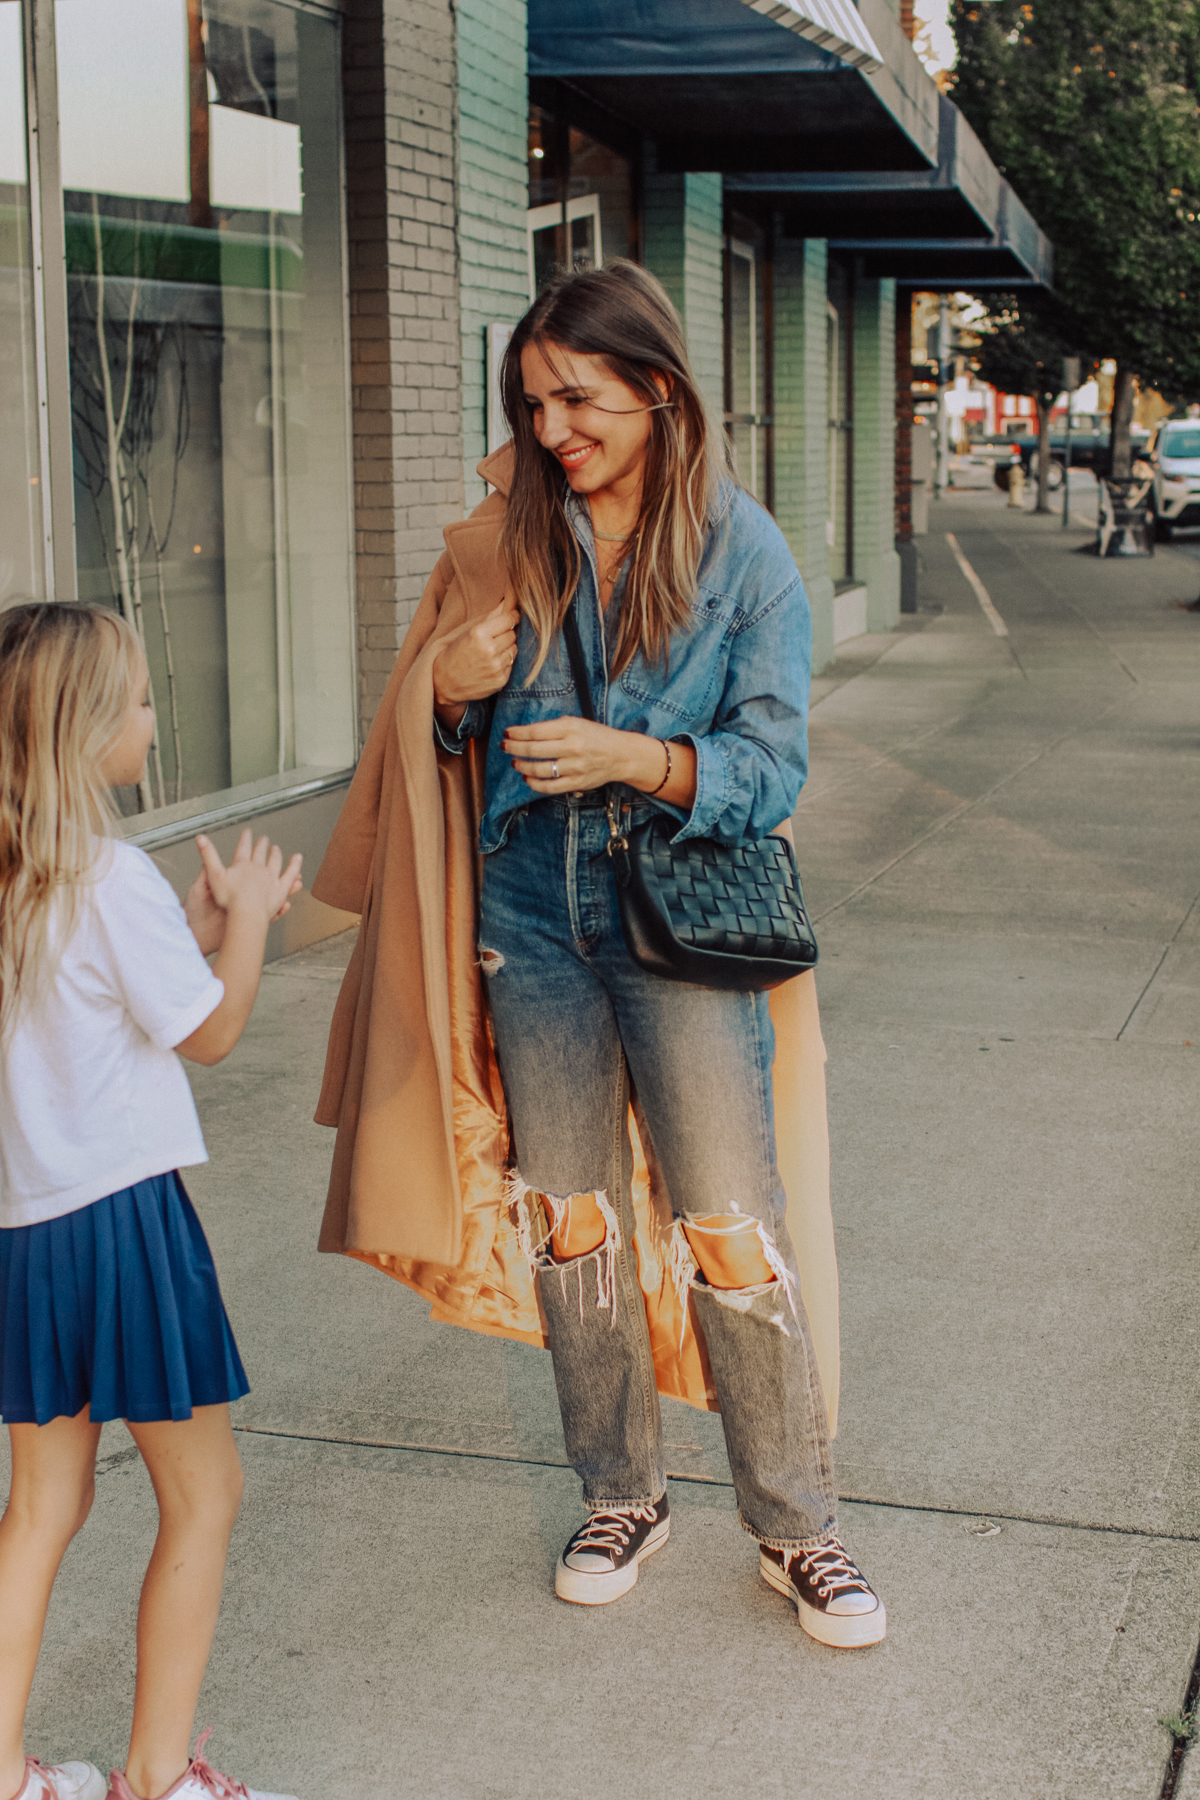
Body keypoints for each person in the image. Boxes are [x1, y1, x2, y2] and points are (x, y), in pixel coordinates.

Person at [311, 261, 883, 1648]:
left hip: (679, 918)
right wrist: (449, 698)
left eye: (578, 398)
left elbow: (771, 762)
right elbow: (441, 750)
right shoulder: (512, 538)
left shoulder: (745, 552)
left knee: (728, 1222)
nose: (553, 427)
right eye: (533, 401)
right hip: (530, 918)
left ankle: (796, 1524)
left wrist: (641, 758)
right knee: (569, 1220)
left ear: (657, 388)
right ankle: (620, 1491)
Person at [0, 603, 302, 1800]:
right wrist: (251, 934)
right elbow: (213, 1031)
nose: (150, 718)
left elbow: (97, 1009)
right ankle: (156, 1777)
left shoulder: (24, 877)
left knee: (40, 1509)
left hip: (29, 1230)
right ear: (83, 733)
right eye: (133, 701)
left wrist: (195, 934)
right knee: (205, 1493)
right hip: (125, 1223)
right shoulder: (107, 870)